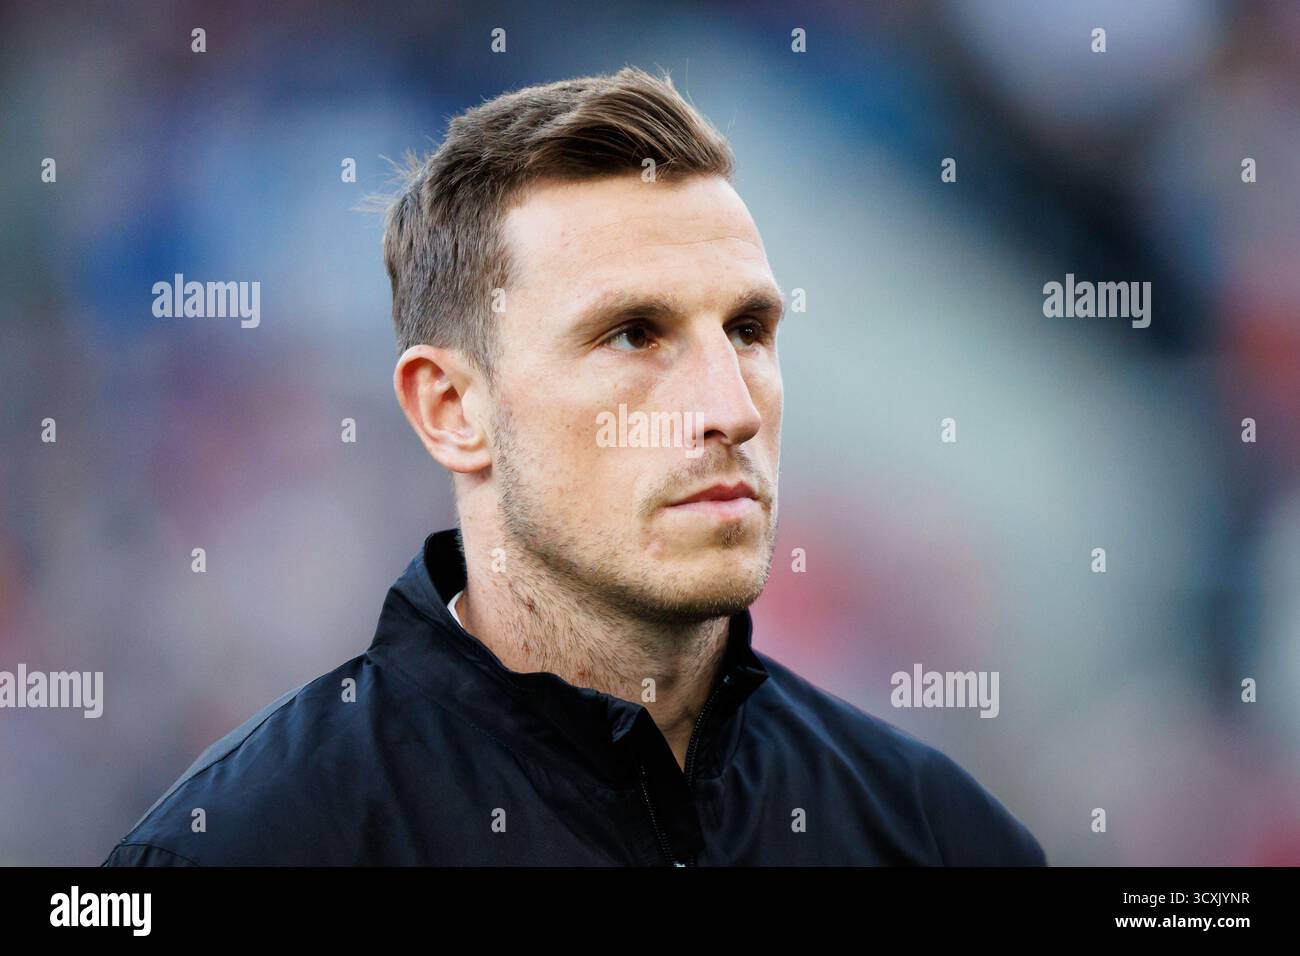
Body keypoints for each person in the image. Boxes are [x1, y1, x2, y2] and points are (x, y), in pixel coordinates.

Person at [102, 67, 1046, 866]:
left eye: (749, 331)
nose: (731, 408)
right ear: (453, 410)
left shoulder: (938, 835)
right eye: (635, 334)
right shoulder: (234, 846)